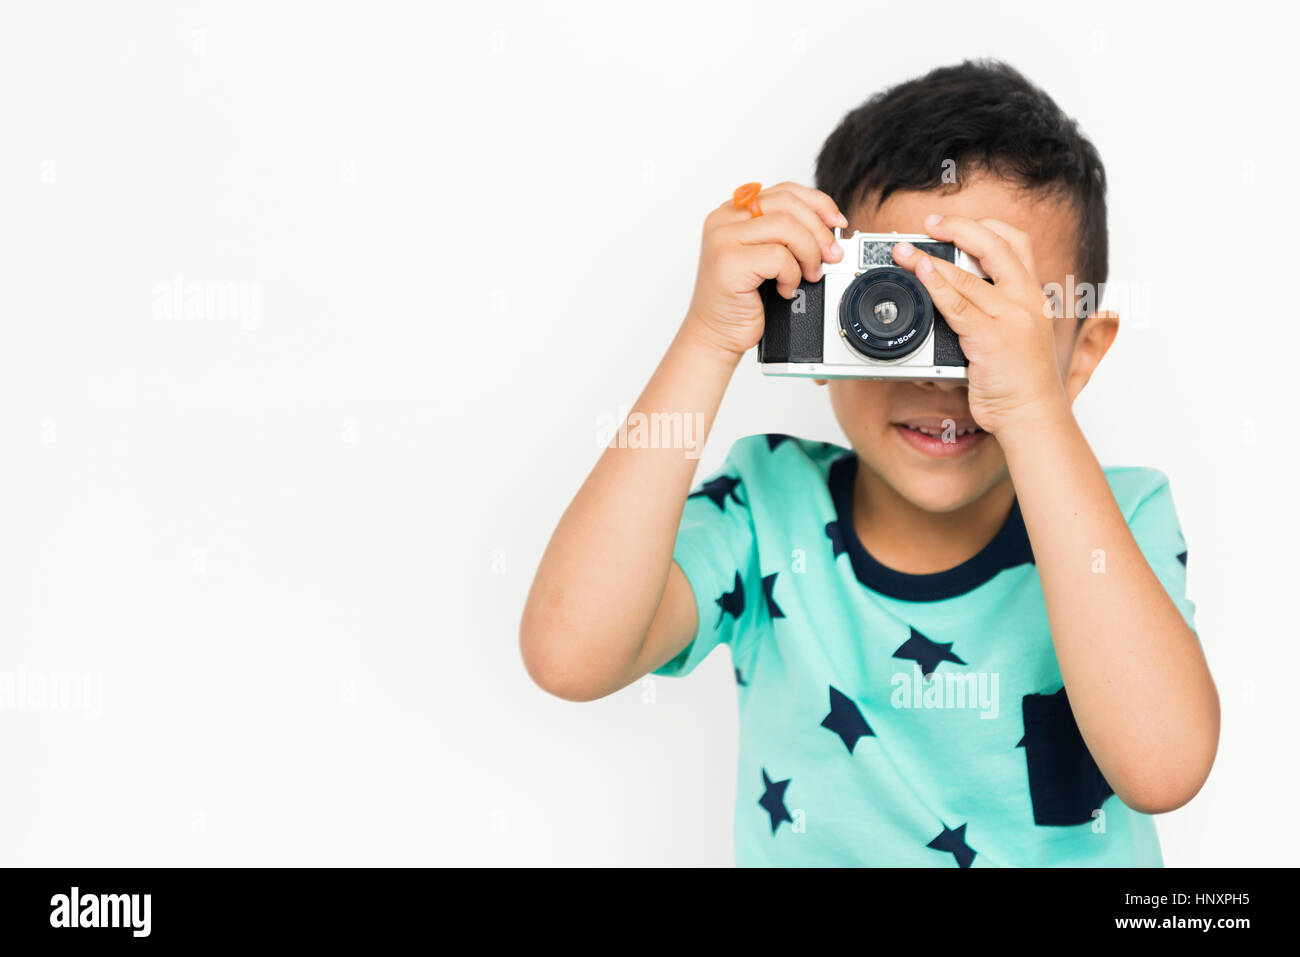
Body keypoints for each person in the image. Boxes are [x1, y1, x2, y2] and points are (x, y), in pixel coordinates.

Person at [520, 60, 1218, 866]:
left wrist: (1032, 408)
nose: (935, 370)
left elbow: (1163, 766)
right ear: (813, 319)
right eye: (893, 304)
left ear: (1079, 352)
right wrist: (709, 338)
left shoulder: (1116, 522)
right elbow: (570, 653)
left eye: (985, 312)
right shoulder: (766, 511)